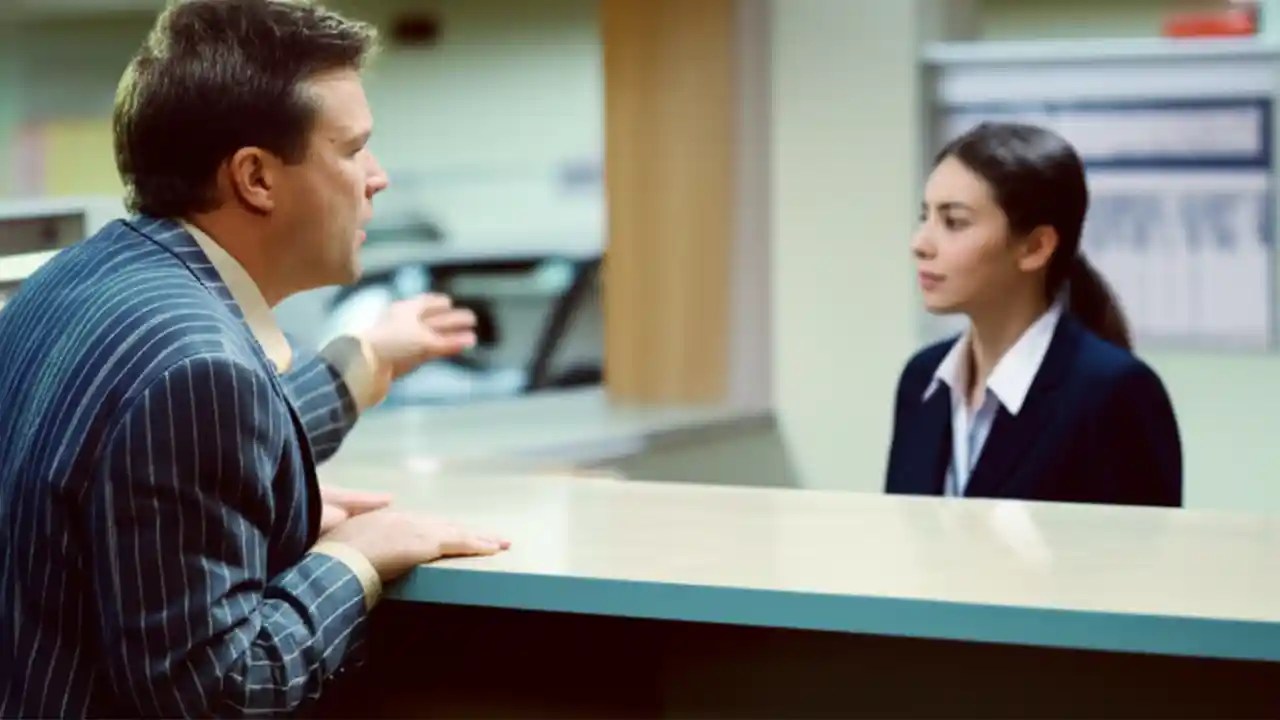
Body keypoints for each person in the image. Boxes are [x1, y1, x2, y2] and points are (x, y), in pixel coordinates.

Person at [0, 1, 510, 716]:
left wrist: (364, 362)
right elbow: (219, 691)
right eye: (352, 149)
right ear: (256, 178)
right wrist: (356, 556)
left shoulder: (74, 279)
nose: (377, 177)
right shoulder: (196, 368)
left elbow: (171, 445)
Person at [885, 122, 1182, 506]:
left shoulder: (1113, 393)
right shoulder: (922, 380)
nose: (920, 243)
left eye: (954, 222)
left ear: (1036, 247)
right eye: (924, 216)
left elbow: (1142, 543)